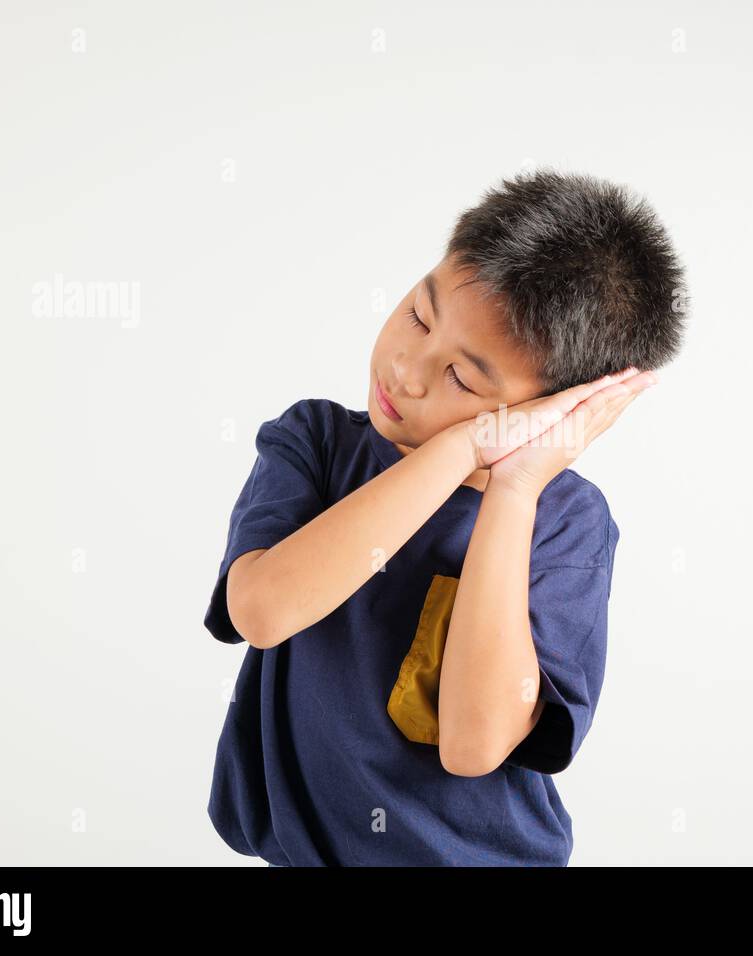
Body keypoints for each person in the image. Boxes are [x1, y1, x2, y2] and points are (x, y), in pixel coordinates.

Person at [204, 168, 687, 865]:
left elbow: (474, 744)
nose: (406, 369)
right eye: (418, 316)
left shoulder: (564, 525)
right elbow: (263, 610)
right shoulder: (314, 443)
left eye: (463, 377)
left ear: (553, 407)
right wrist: (464, 443)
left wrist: (512, 489)